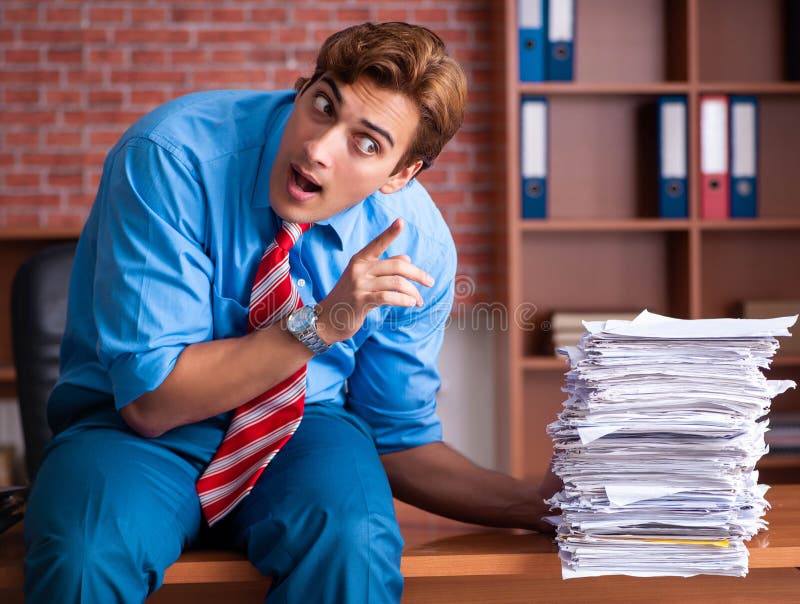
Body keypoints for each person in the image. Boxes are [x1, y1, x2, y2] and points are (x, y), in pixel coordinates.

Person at [24, 22, 554, 604]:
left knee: (356, 540)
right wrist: (321, 325)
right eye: (324, 106)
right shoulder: (171, 157)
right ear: (301, 88)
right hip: (134, 434)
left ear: (402, 174)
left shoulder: (418, 245)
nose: (318, 149)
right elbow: (151, 403)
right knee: (85, 553)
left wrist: (532, 503)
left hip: (304, 428)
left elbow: (396, 436)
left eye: (367, 143)